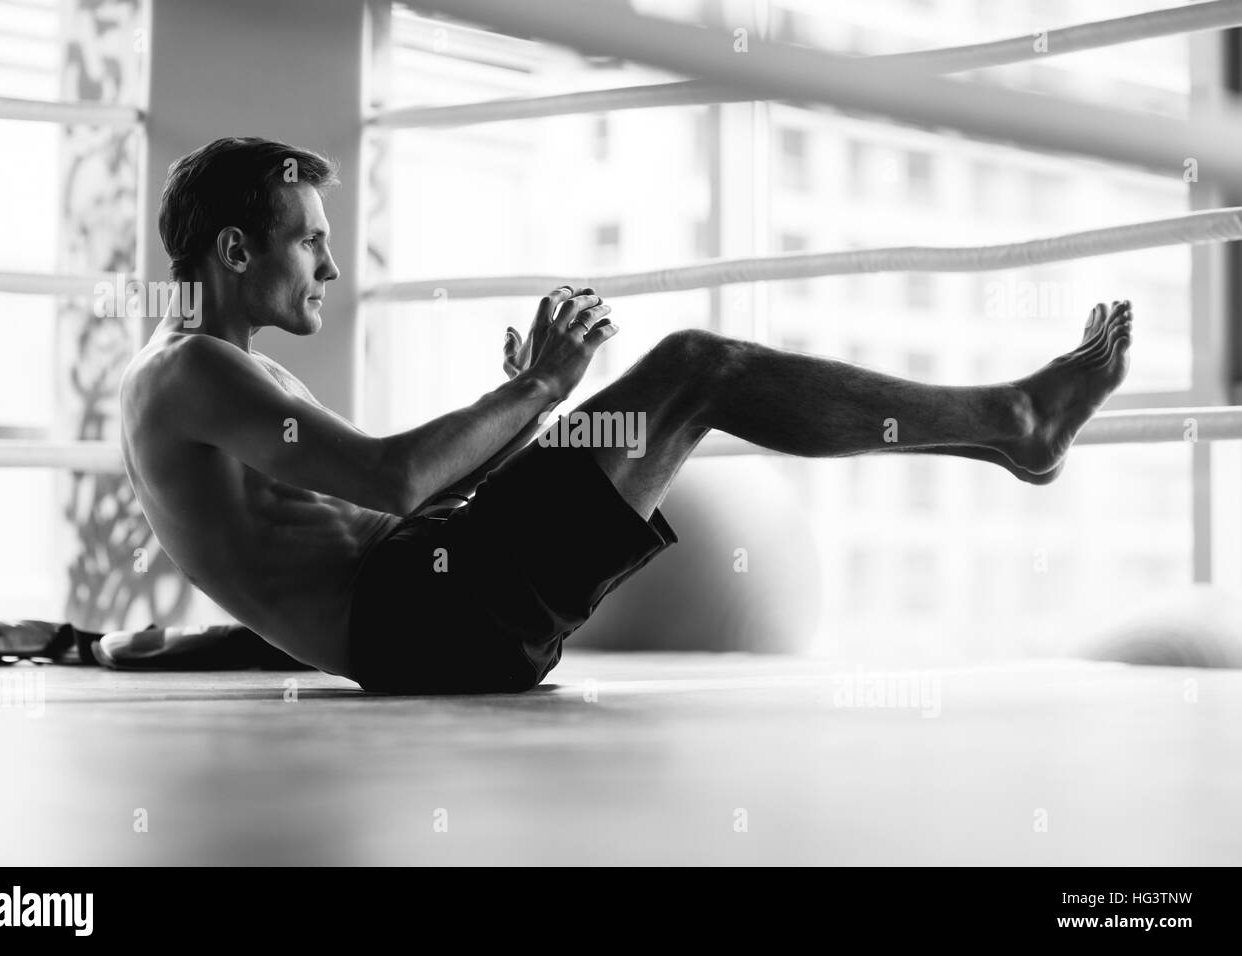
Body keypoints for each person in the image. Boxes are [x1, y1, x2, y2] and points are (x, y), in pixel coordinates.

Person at [121, 136, 1132, 693]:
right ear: (236, 251)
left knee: (676, 394)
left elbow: (407, 498)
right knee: (698, 368)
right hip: (424, 622)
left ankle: (1011, 424)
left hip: (433, 592)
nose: (333, 267)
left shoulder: (225, 378)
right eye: (308, 242)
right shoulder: (188, 377)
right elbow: (390, 479)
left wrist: (528, 411)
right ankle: (1013, 419)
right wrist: (532, 389)